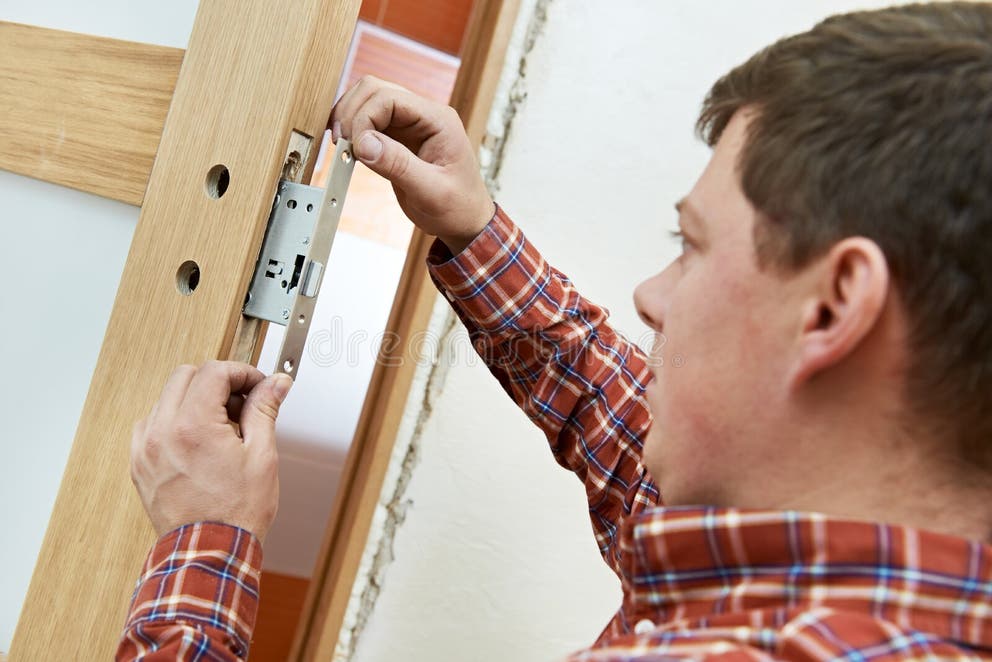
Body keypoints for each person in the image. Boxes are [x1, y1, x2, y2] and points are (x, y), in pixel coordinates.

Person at [117, 3, 992, 660]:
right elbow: (621, 426)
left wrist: (204, 544)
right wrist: (473, 226)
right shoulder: (862, 588)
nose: (652, 294)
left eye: (689, 247)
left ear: (835, 305)